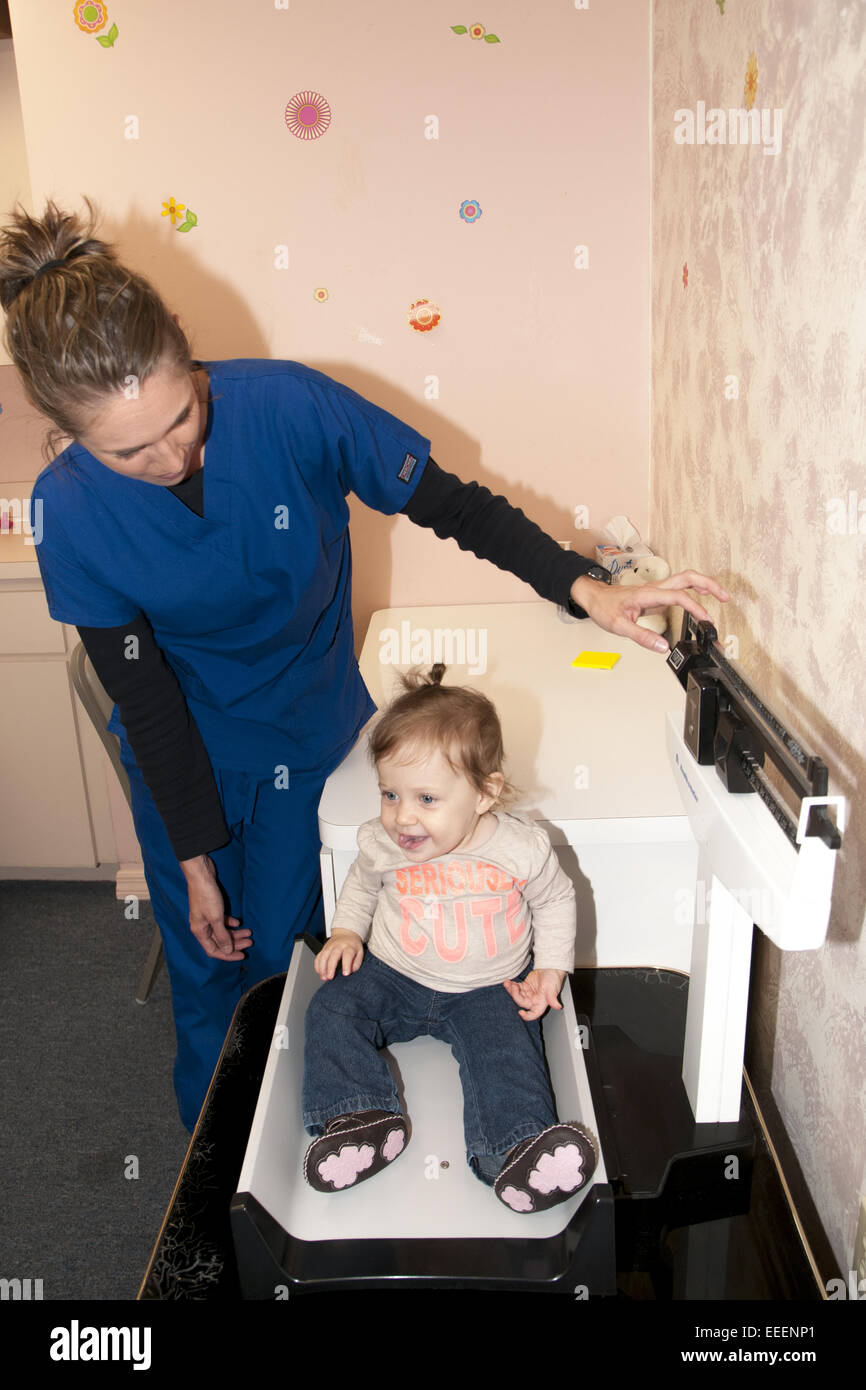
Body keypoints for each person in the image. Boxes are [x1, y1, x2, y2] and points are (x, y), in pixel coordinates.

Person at [0, 199, 729, 1133]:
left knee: (284, 963)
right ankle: (219, 1171)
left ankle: (318, 1136)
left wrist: (586, 588)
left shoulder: (291, 407)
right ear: (64, 432)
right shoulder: (72, 513)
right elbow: (140, 689)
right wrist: (192, 859)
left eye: (181, 417)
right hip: (181, 751)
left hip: (307, 735)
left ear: (186, 347)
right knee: (206, 966)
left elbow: (457, 507)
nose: (173, 455)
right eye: (127, 450)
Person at [302, 664, 596, 1213]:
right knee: (332, 1010)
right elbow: (363, 883)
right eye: (390, 794)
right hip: (395, 973)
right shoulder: (384, 841)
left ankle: (514, 1150)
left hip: (488, 987)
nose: (402, 818)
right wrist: (345, 930)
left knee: (508, 1054)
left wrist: (549, 970)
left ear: (485, 793)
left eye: (426, 799)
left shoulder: (519, 848)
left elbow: (555, 899)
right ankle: (359, 1116)